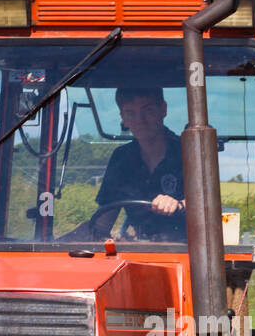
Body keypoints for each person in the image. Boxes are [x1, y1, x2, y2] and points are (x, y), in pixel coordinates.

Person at [67, 87, 187, 242]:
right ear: (123, 117)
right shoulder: (121, 159)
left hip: (188, 250)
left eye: (148, 110)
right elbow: (104, 219)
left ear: (163, 110)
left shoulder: (188, 153)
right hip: (138, 249)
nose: (140, 120)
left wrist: (179, 204)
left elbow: (207, 205)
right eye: (131, 113)